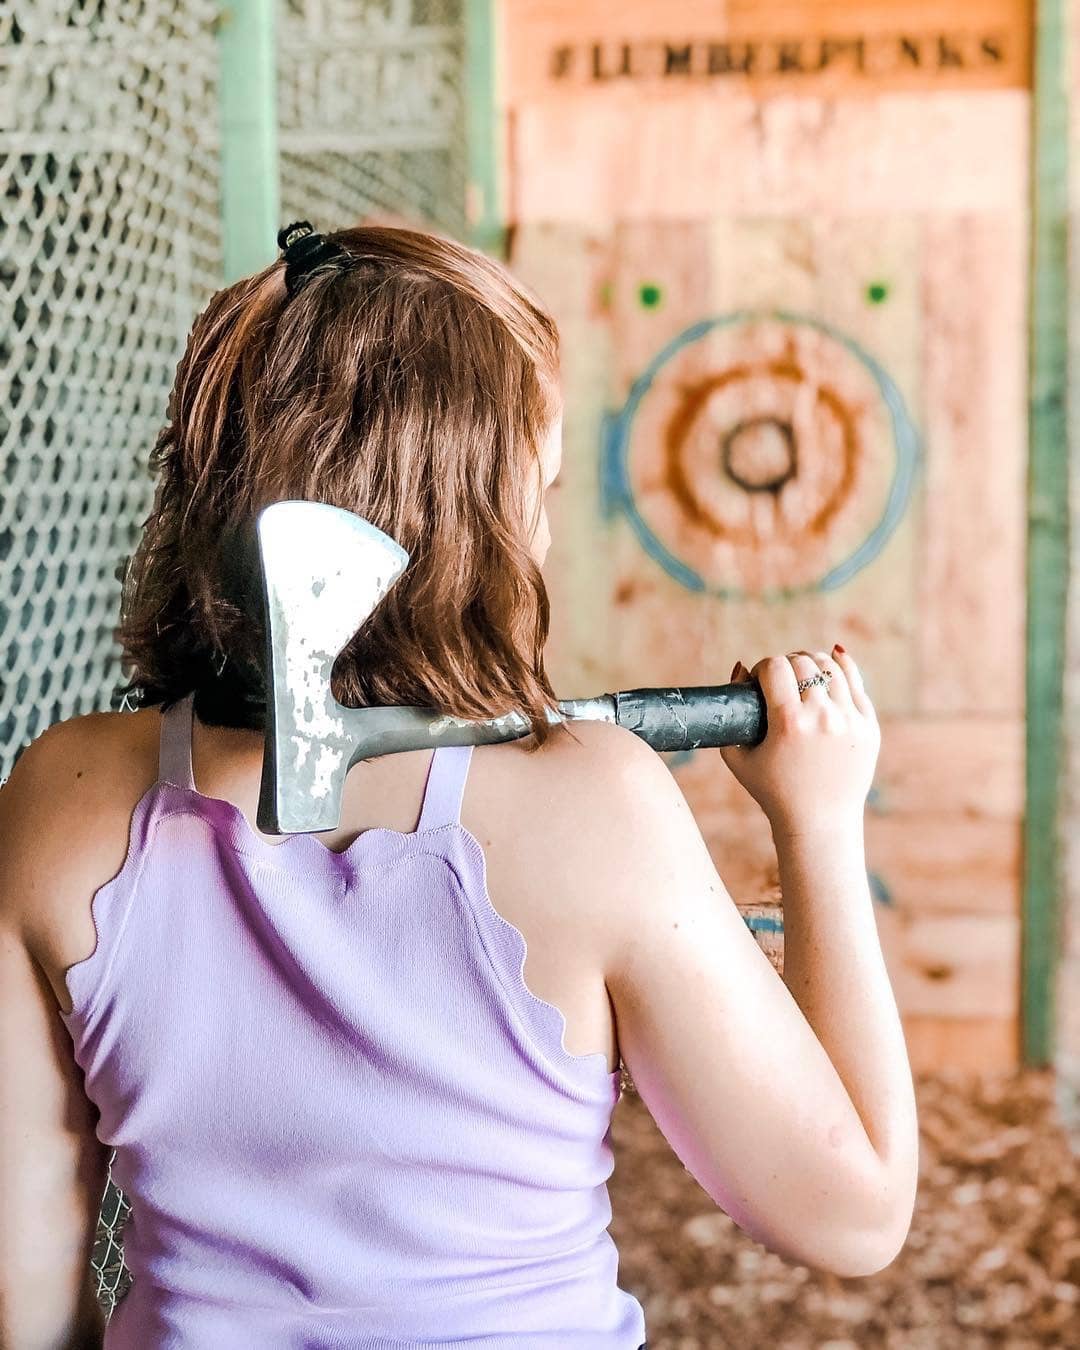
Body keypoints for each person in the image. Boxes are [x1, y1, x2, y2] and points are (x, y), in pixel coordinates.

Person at [0, 222, 918, 1349]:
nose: (537, 532)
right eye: (535, 489)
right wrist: (819, 820)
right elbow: (857, 1212)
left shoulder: (60, 794)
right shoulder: (595, 806)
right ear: (465, 514)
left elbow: (27, 1302)